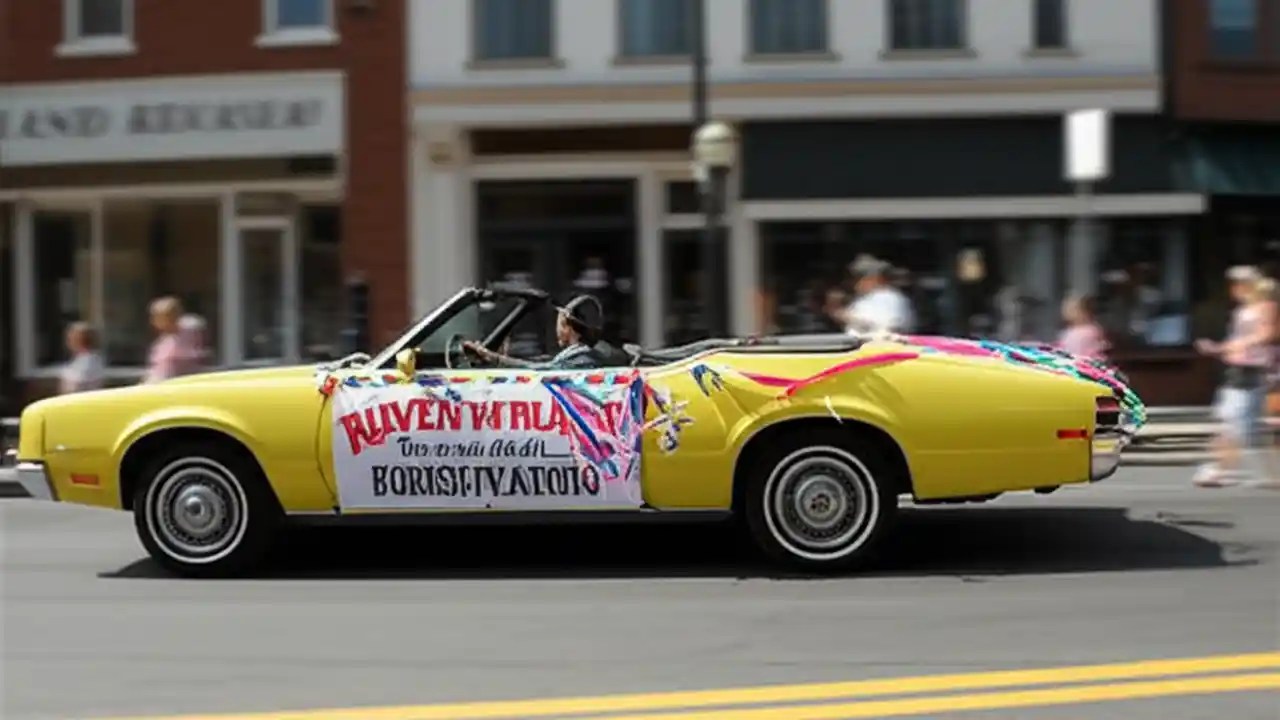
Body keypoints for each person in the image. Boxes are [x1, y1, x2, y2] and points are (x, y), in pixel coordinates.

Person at [1193, 266, 1277, 487]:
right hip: (1237, 369)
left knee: (1234, 421)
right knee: (1239, 424)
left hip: (1252, 370)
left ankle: (1219, 469)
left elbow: (1268, 334)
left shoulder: (1266, 307)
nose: (1234, 289)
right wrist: (1220, 348)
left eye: (1239, 283)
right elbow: (1238, 338)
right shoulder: (1242, 311)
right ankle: (1270, 474)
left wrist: (1236, 345)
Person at [464, 296, 603, 370]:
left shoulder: (582, 361)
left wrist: (493, 358)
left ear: (567, 327)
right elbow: (543, 362)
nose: (557, 330)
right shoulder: (581, 356)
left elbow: (541, 371)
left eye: (559, 324)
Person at [826, 256, 915, 336]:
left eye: (859, 278)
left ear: (874, 278)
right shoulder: (864, 298)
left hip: (884, 348)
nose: (854, 283)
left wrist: (847, 316)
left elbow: (887, 326)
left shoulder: (892, 298)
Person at [142, 296, 197, 384]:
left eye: (158, 317)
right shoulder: (163, 341)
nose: (153, 321)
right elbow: (156, 368)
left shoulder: (189, 336)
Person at [1057, 294, 1109, 359]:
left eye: (1073, 309)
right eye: (1067, 309)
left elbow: (1094, 353)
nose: (1068, 312)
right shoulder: (1068, 331)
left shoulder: (1091, 331)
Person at [59, 322, 105, 394]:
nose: (68, 342)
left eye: (71, 338)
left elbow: (75, 387)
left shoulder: (89, 361)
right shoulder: (78, 359)